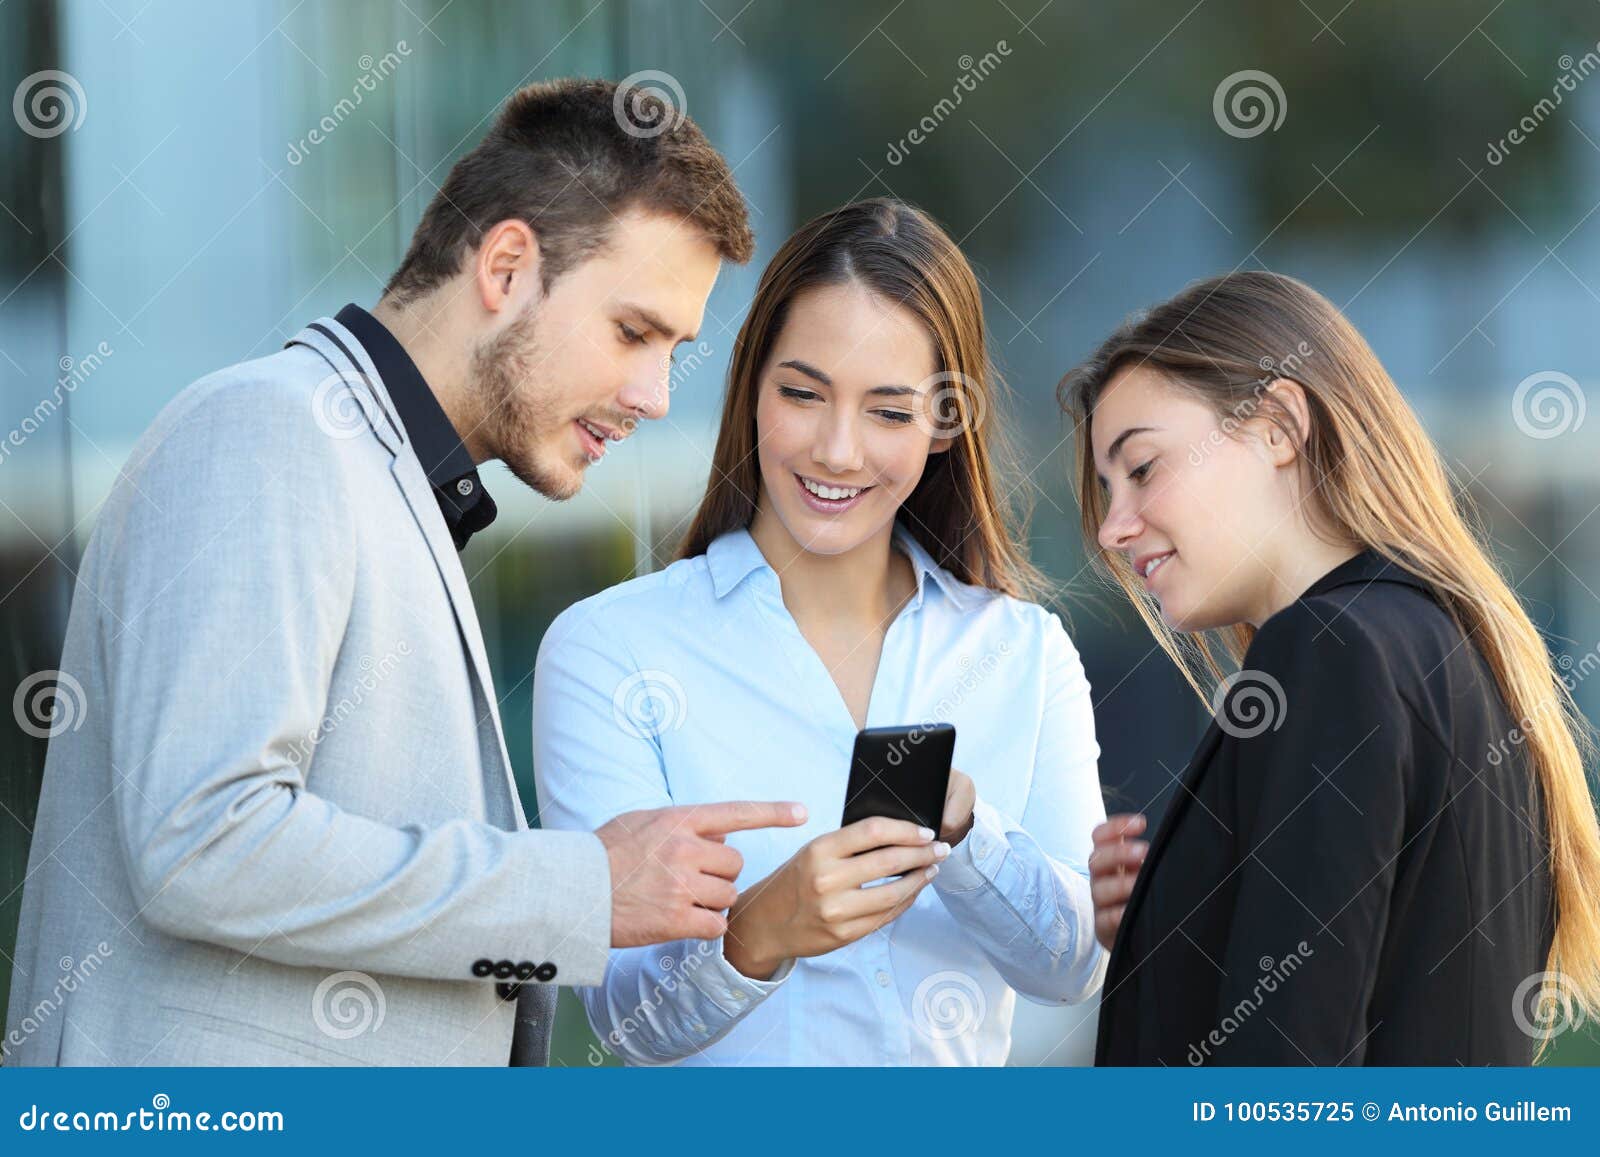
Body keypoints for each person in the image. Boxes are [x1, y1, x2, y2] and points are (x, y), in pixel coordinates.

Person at [2, 78, 807, 1068]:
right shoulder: (272, 430)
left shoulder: (379, 475)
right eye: (633, 332)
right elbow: (203, 839)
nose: (651, 392)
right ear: (506, 267)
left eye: (673, 350)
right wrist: (582, 885)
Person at [533, 198, 1106, 1066]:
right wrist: (759, 933)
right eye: (802, 394)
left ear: (945, 422)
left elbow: (1073, 968)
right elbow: (624, 1028)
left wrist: (967, 830)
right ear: (752, 386)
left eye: (887, 411)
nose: (838, 451)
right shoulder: (610, 650)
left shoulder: (1022, 653)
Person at [1064, 270, 1600, 1064]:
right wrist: (1168, 921)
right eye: (1108, 490)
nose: (1113, 528)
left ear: (1279, 425)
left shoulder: (1327, 653)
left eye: (1141, 469)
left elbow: (1284, 1084)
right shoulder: (1442, 645)